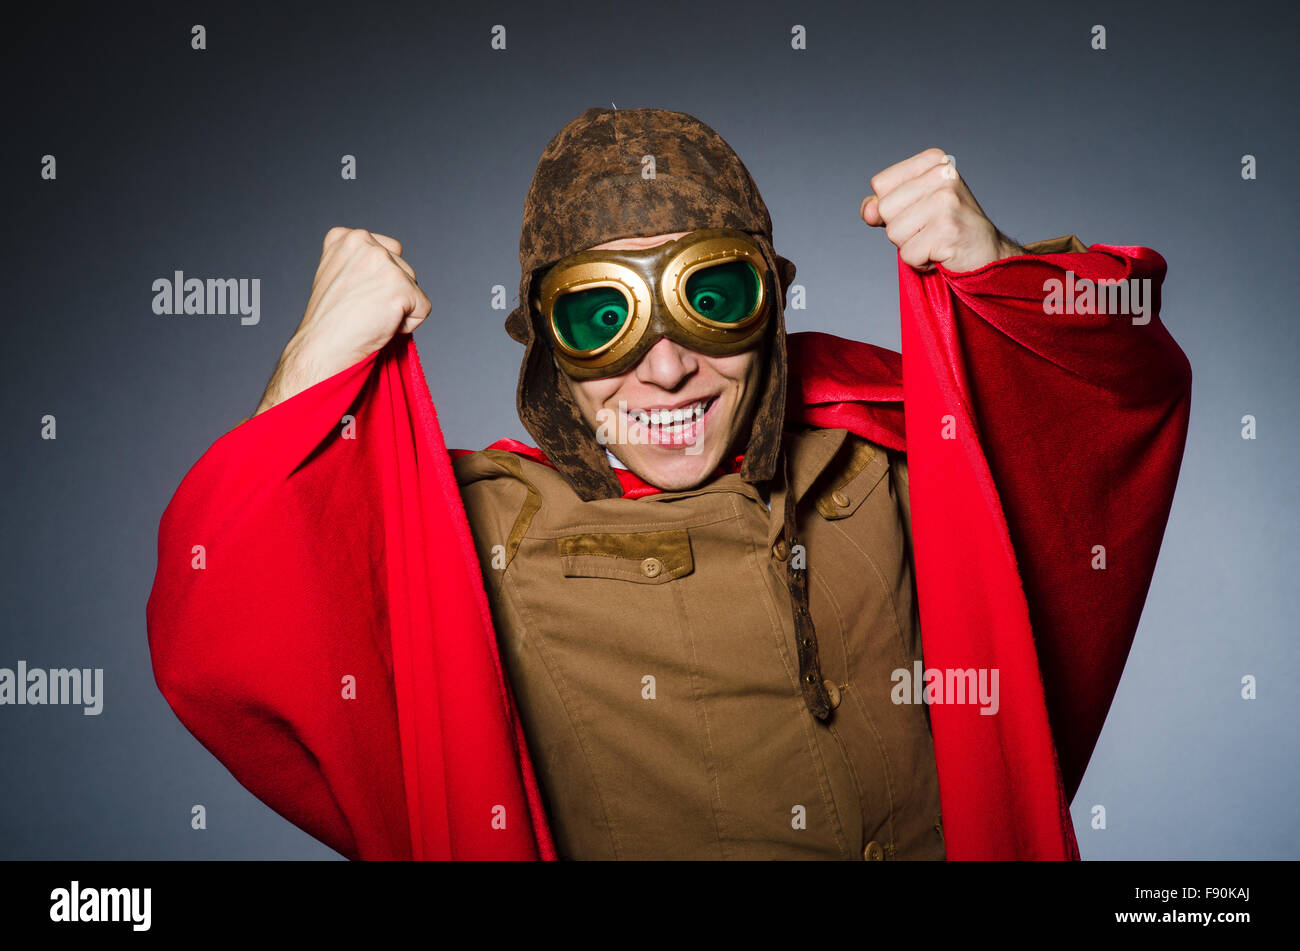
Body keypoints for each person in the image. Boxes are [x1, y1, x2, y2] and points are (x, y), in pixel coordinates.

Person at [147, 107, 1191, 861]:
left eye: (711, 295)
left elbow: (1108, 402)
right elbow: (225, 622)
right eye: (603, 317)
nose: (663, 364)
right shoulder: (475, 547)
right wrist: (313, 363)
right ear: (548, 349)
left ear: (768, 304)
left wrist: (999, 268)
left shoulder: (891, 452)